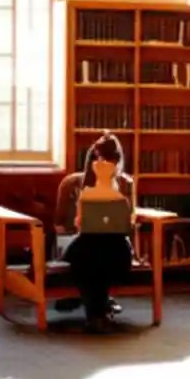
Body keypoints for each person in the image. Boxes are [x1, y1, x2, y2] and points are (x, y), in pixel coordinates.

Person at [57, 133, 135, 333]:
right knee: (90, 251)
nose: (102, 163)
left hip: (115, 245)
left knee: (103, 251)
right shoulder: (76, 184)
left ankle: (94, 312)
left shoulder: (125, 184)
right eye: (98, 158)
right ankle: (98, 311)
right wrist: (79, 222)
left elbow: (129, 223)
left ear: (117, 161)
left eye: (109, 159)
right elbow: (62, 224)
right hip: (86, 243)